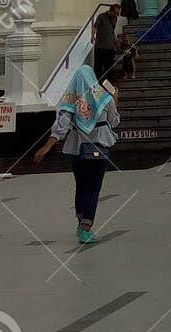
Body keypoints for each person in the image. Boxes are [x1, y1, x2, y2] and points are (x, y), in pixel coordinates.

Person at [34, 64, 120, 243]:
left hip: (76, 149)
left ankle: (81, 222)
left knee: (81, 186)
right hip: (98, 146)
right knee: (93, 188)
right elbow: (114, 121)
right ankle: (86, 228)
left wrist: (47, 147)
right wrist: (116, 99)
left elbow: (61, 127)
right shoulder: (104, 97)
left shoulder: (70, 98)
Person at [91, 3, 119, 83]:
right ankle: (98, 82)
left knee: (109, 66)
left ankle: (109, 83)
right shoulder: (101, 16)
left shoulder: (115, 18)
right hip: (100, 46)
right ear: (111, 11)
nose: (117, 15)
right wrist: (92, 36)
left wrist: (115, 40)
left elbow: (112, 30)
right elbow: (95, 27)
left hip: (110, 47)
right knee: (98, 66)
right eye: (116, 13)